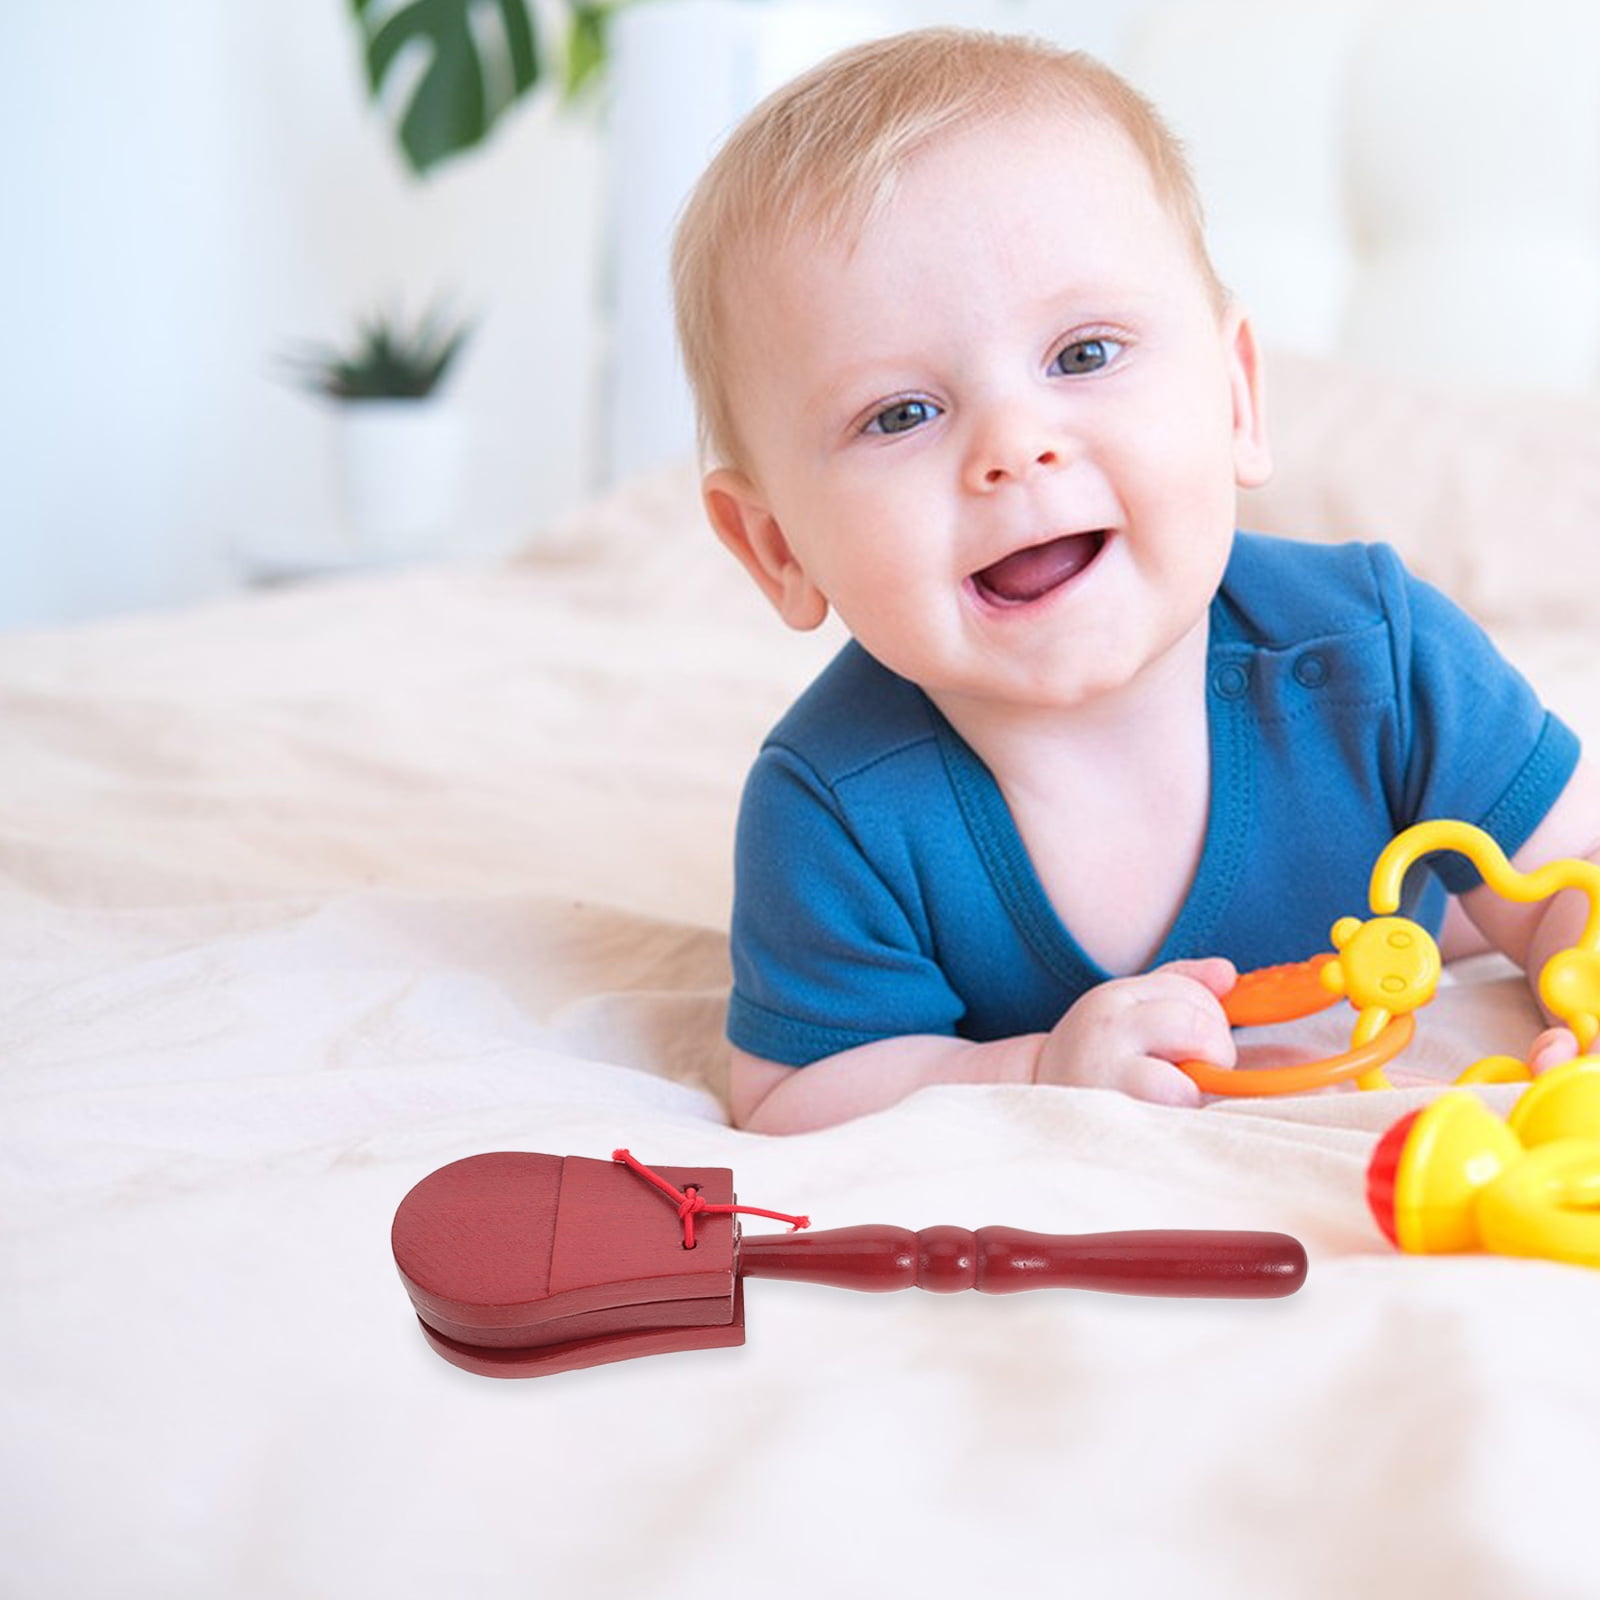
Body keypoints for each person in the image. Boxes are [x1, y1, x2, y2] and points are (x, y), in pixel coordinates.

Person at [669, 27, 1600, 1134]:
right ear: (776, 547)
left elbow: (1571, 878)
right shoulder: (837, 811)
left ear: (1237, 400)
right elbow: (792, 1094)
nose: (1013, 446)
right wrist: (1030, 1072)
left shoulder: (1376, 658)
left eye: (1083, 354)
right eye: (901, 414)